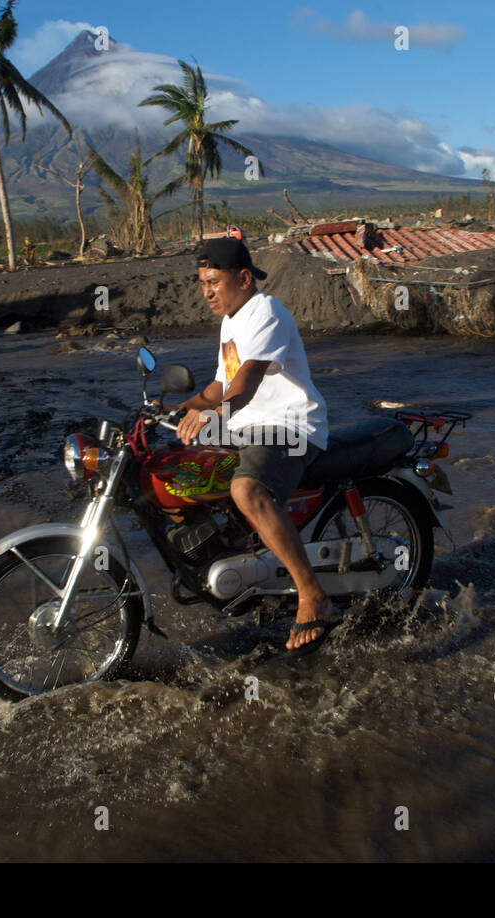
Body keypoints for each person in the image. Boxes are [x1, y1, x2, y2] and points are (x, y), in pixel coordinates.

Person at [169, 237, 339, 654]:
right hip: (247, 424)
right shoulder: (232, 319)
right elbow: (219, 386)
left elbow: (245, 384)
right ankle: (228, 559)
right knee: (176, 475)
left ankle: (311, 593)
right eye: (201, 283)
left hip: (290, 425)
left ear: (243, 279)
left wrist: (210, 415)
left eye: (213, 282)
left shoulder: (266, 313)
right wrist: (173, 408)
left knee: (246, 488)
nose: (206, 291)